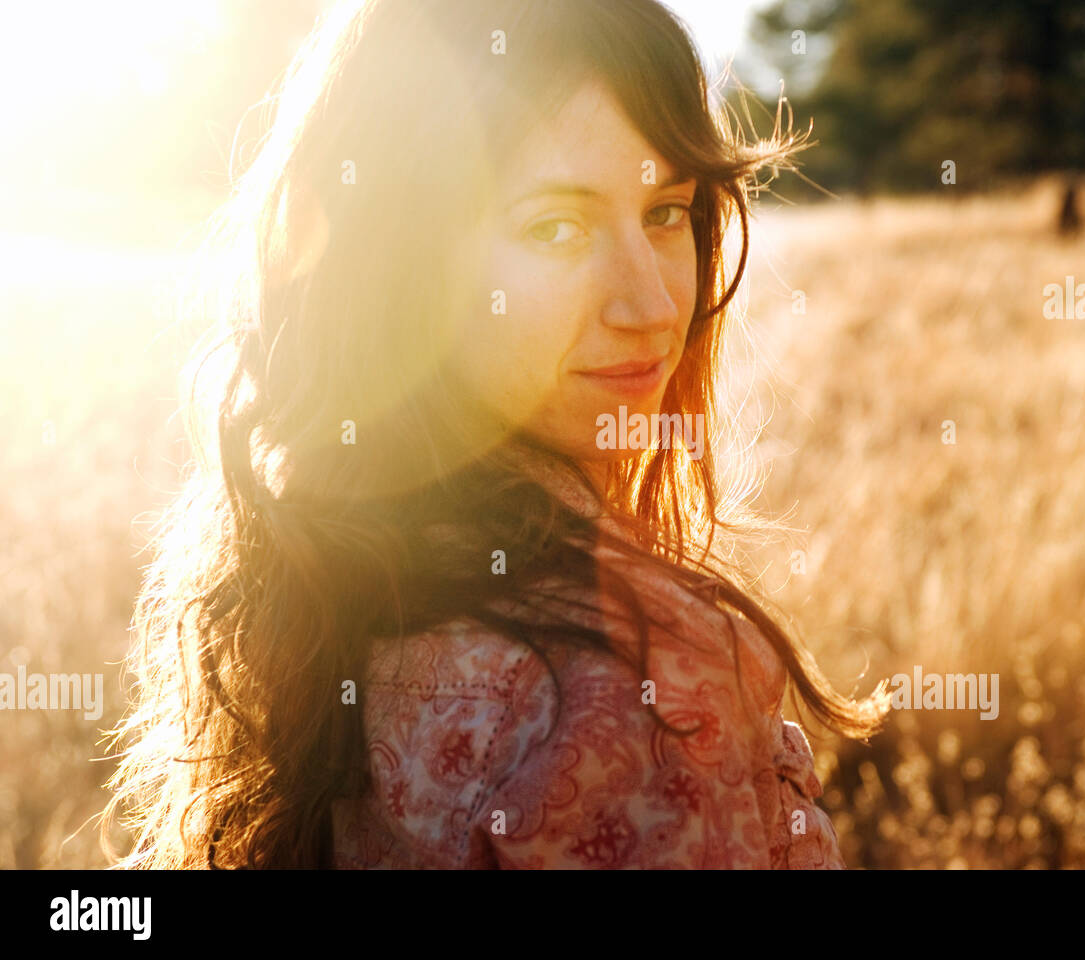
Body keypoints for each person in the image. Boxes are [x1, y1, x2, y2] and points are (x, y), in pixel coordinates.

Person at [100, 0, 891, 869]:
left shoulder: (319, 562)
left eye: (667, 212)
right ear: (402, 262)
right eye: (556, 227)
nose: (654, 304)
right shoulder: (639, 686)